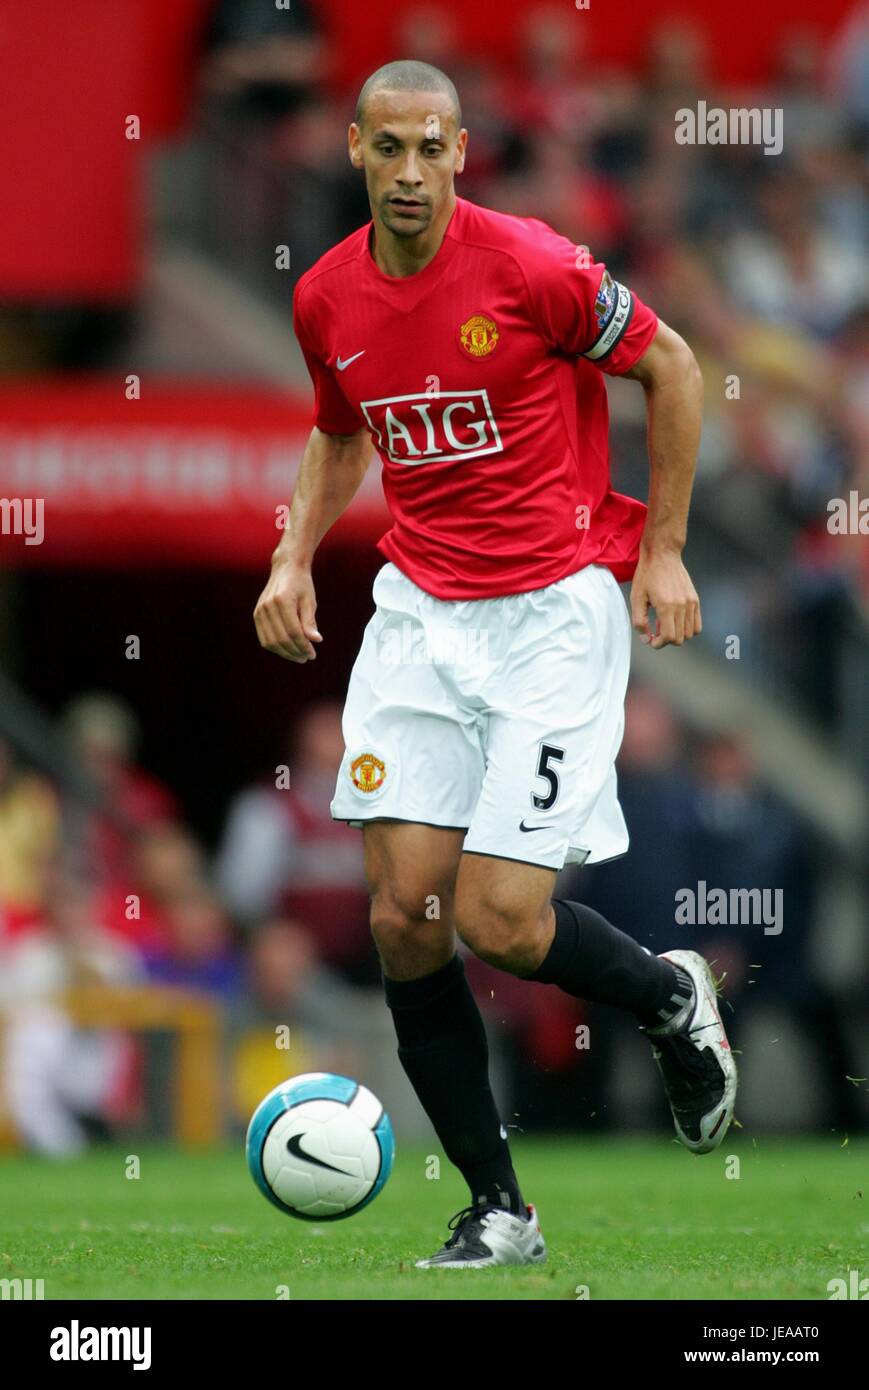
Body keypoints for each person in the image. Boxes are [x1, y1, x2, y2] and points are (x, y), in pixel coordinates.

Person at [253, 59, 736, 1268]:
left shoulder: (530, 266)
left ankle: (665, 995)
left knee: (500, 920)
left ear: (462, 152)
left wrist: (662, 552)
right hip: (419, 613)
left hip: (551, 615)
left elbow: (672, 366)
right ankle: (498, 1210)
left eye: (431, 149)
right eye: (387, 149)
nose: (409, 172)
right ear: (354, 151)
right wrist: (291, 558)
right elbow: (336, 433)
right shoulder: (324, 297)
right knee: (402, 918)